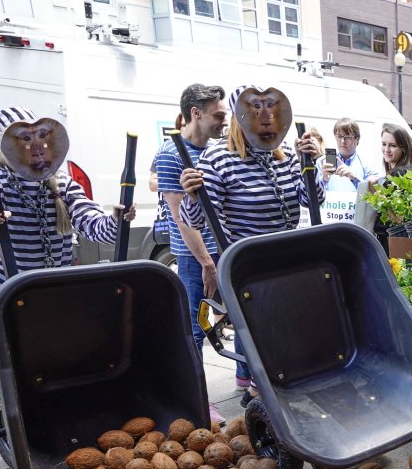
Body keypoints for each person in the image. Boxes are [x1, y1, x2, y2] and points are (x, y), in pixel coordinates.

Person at [0, 107, 134, 368]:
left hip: (53, 292)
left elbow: (93, 225)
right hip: (4, 292)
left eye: (41, 137)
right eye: (25, 139)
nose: (36, 147)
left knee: (60, 364)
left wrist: (115, 221)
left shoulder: (61, 181)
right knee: (13, 370)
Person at [178, 85, 322, 397]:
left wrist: (312, 167)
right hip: (248, 268)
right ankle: (262, 400)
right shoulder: (217, 159)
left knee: (292, 337)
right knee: (265, 342)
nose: (266, 118)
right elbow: (196, 221)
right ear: (240, 118)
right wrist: (192, 196)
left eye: (271, 111)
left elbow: (312, 200)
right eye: (256, 111)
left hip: (289, 262)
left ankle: (276, 396)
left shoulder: (285, 157)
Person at [155, 83, 227, 352]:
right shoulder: (170, 154)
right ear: (196, 113)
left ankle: (247, 382)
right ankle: (195, 392)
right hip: (195, 256)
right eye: (218, 115)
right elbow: (180, 218)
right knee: (196, 327)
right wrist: (206, 263)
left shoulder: (215, 151)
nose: (224, 121)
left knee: (239, 317)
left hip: (222, 247)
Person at [371, 122, 412, 252]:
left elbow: (397, 217)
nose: (386, 149)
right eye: (384, 144)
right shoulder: (407, 171)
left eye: (392, 145)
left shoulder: (400, 173)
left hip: (393, 244)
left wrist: (375, 191)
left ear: (403, 148)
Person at [319, 117, 375, 223]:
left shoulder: (367, 164)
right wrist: (324, 179)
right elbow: (314, 195)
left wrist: (354, 178)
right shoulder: (323, 162)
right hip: (330, 222)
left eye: (347, 137)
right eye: (339, 137)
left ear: (357, 139)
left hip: (356, 223)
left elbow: (374, 195)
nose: (342, 141)